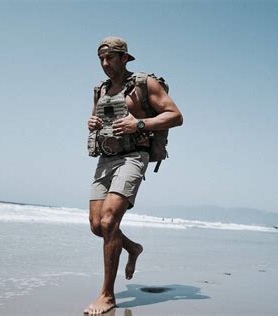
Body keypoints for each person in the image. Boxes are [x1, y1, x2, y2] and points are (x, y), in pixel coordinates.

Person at [85, 36, 183, 315]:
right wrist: (91, 122)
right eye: (101, 59)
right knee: (96, 225)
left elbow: (176, 116)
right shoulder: (101, 89)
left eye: (111, 58)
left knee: (109, 221)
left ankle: (107, 295)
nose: (105, 64)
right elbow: (97, 122)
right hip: (106, 159)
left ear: (124, 58)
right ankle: (133, 248)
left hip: (132, 157)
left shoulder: (143, 84)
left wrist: (140, 122)